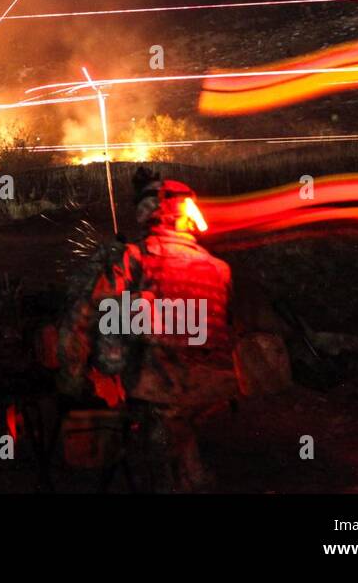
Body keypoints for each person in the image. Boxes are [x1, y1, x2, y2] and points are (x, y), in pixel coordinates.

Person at [86, 168, 237, 491]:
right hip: (215, 390)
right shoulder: (218, 268)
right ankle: (191, 467)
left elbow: (101, 320)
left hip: (157, 388)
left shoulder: (131, 259)